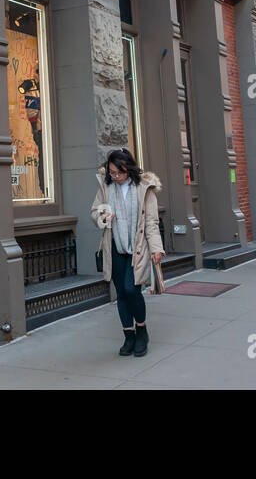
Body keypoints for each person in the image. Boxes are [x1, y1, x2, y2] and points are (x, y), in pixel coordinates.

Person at [90, 148, 163, 358]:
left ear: (128, 169)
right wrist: (102, 215)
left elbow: (151, 222)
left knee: (132, 290)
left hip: (137, 247)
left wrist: (156, 248)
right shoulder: (106, 186)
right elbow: (94, 212)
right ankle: (128, 335)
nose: (116, 177)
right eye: (112, 172)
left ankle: (141, 330)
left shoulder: (143, 187)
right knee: (121, 292)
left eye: (119, 173)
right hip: (114, 246)